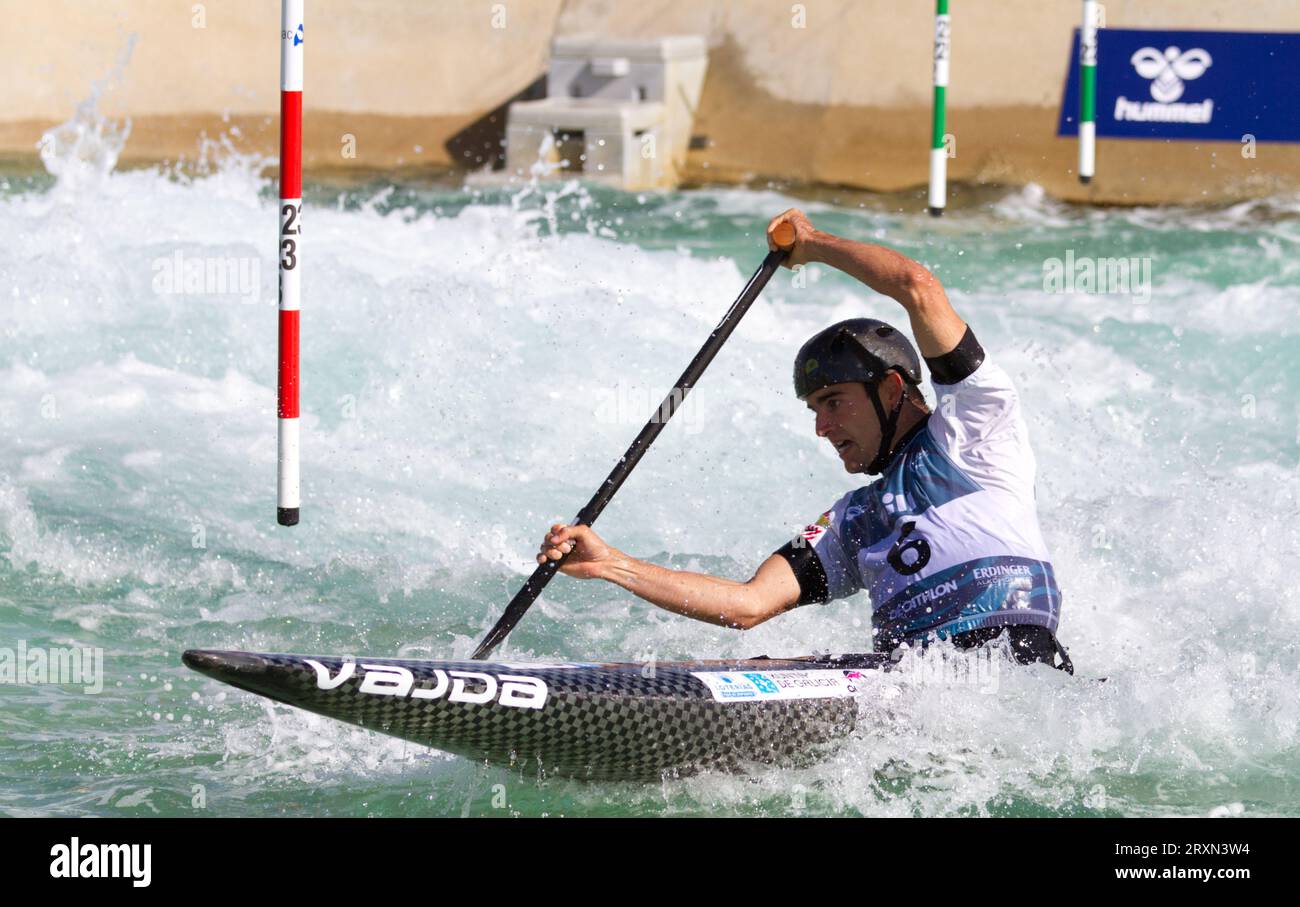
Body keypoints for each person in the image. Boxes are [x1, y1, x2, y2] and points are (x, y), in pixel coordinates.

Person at [538, 208, 1071, 672]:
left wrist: (813, 244)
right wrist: (612, 564)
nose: (821, 427)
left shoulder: (975, 427)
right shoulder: (850, 521)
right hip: (914, 696)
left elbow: (917, 285)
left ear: (891, 389)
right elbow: (748, 605)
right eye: (814, 410)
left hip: (1022, 672)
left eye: (834, 402)